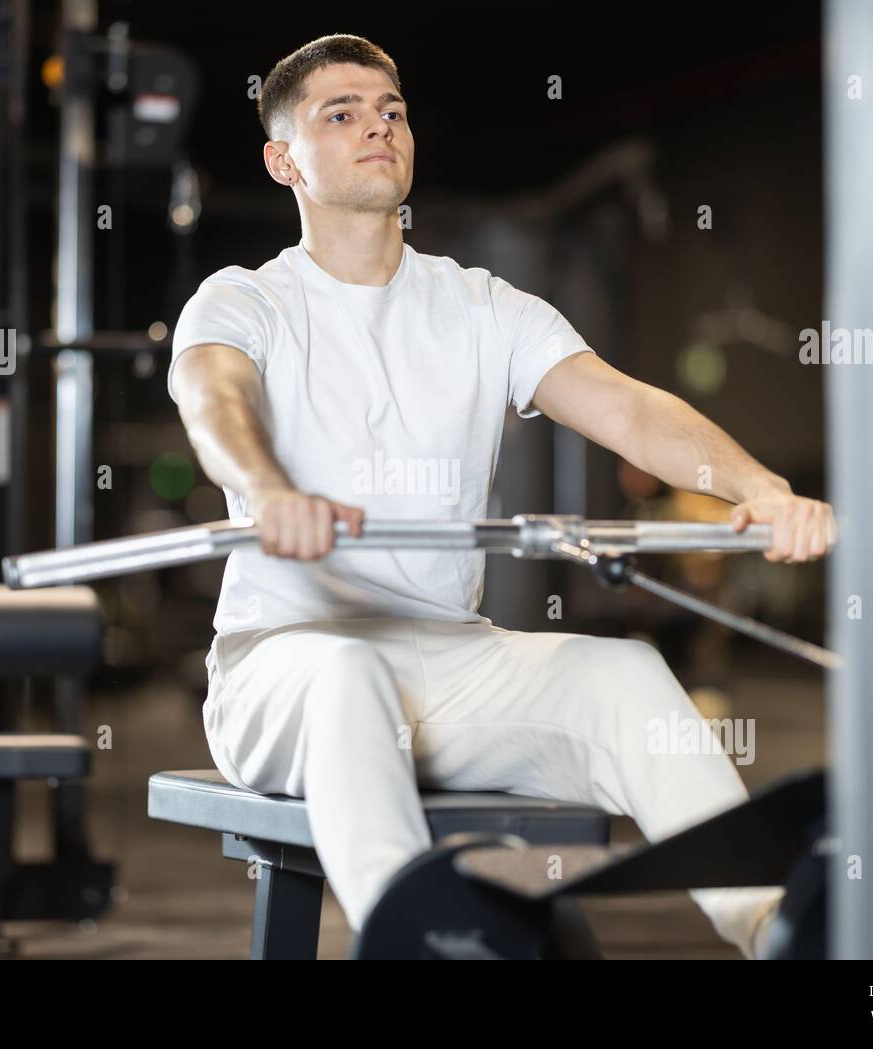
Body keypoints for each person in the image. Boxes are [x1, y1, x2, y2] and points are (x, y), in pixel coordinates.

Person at [167, 34, 837, 958]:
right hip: (282, 665)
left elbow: (631, 410)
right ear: (283, 161)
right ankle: (424, 934)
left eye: (391, 111)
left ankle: (772, 924)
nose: (378, 126)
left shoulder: (483, 305)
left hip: (451, 663)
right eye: (342, 113)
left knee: (622, 674)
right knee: (346, 674)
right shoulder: (244, 300)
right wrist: (267, 487)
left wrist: (760, 487)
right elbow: (214, 401)